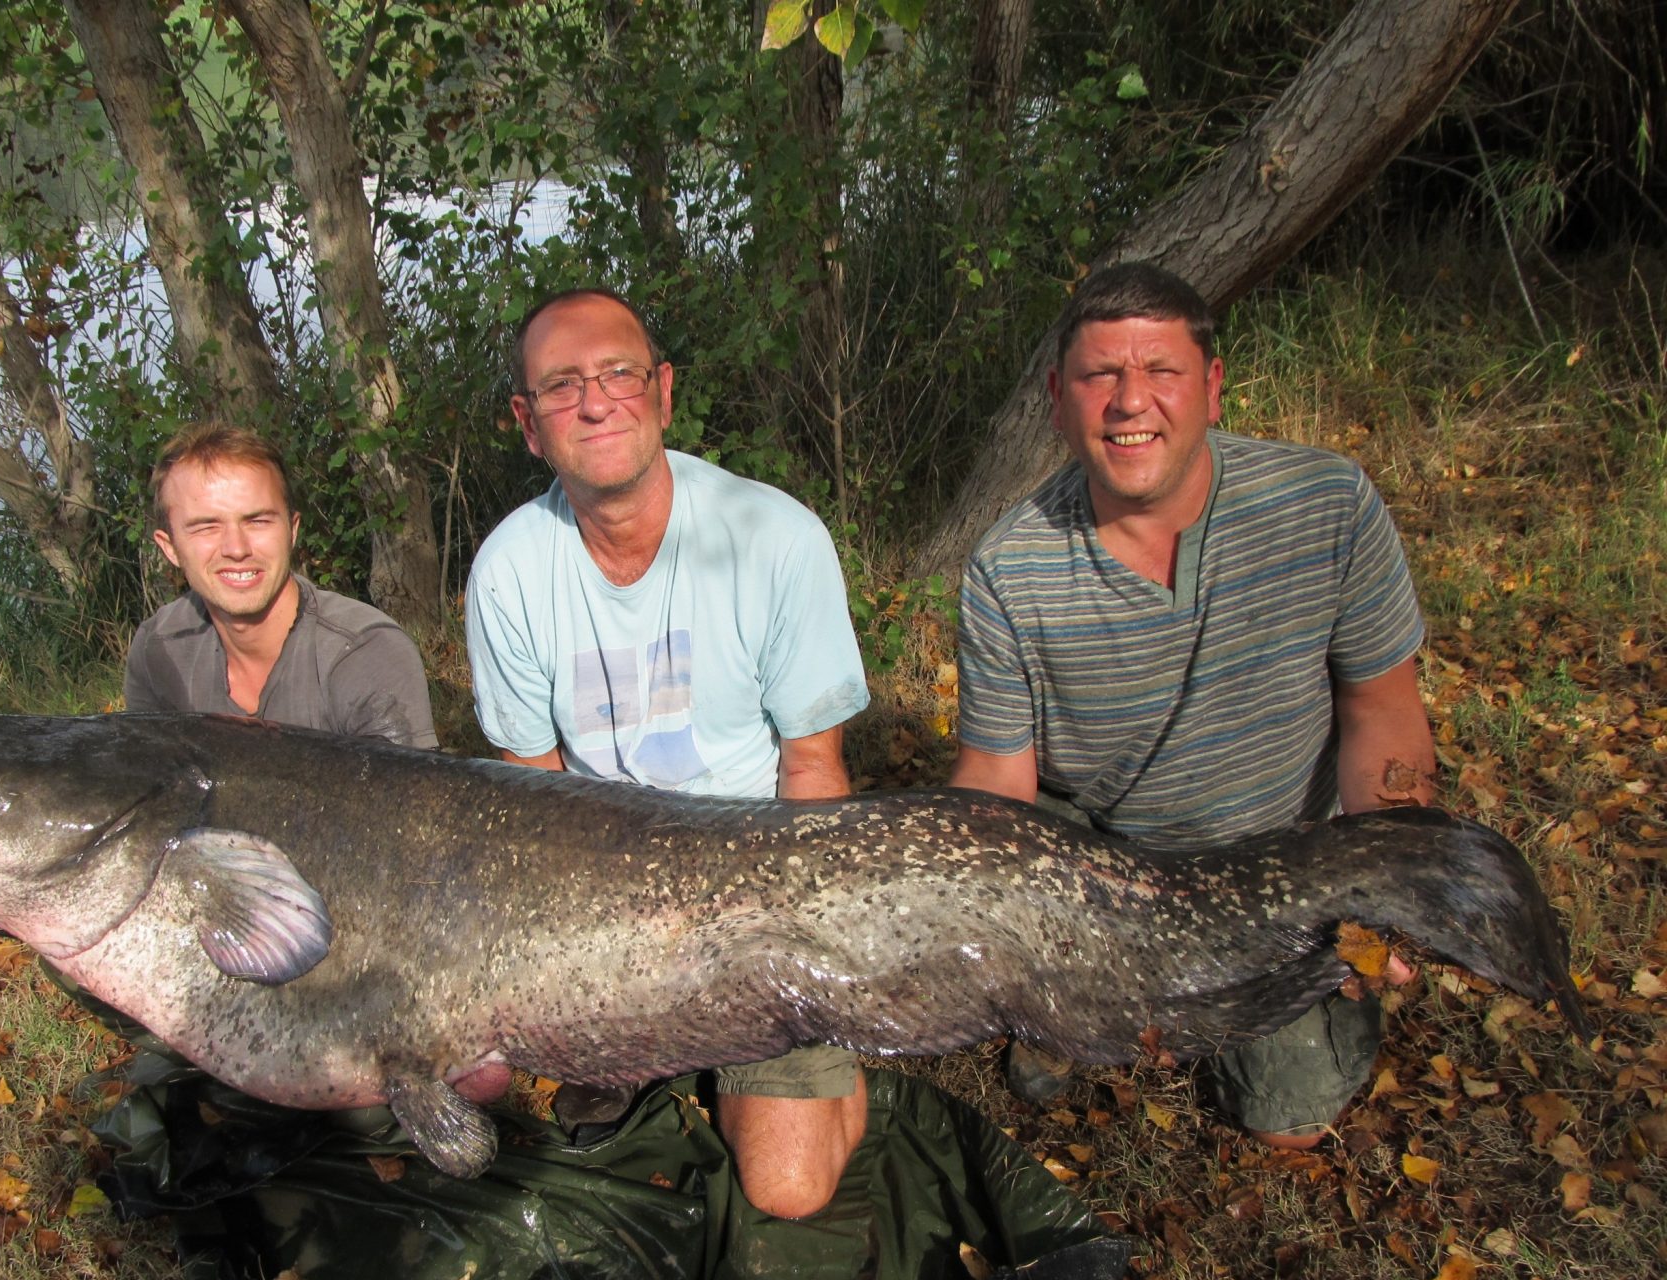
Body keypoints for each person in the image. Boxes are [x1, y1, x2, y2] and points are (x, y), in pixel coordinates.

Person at [951, 262, 1435, 1149]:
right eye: (1101, 376)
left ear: (1212, 388)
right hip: (1101, 863)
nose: (1130, 402)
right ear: (1058, 399)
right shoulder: (1008, 569)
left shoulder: (1326, 504)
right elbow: (993, 784)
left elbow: (1382, 710)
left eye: (1161, 372)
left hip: (1284, 861)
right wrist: (994, 941)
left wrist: (1386, 886)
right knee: (1059, 1006)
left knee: (1285, 1122)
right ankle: (1070, 1005)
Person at [464, 288, 872, 1219]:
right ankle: (638, 1051)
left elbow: (812, 770)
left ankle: (829, 1054)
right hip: (602, 894)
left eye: (618, 373)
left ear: (664, 393)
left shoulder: (773, 537)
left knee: (788, 1188)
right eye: (562, 388)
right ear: (529, 425)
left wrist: (799, 940)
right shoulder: (509, 573)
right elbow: (531, 799)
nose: (597, 402)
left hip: (759, 882)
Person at [125, 421, 437, 747]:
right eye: (206, 527)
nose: (237, 548)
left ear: (292, 530)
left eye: (257, 521)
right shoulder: (158, 648)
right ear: (170, 547)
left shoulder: (365, 651)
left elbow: (409, 795)